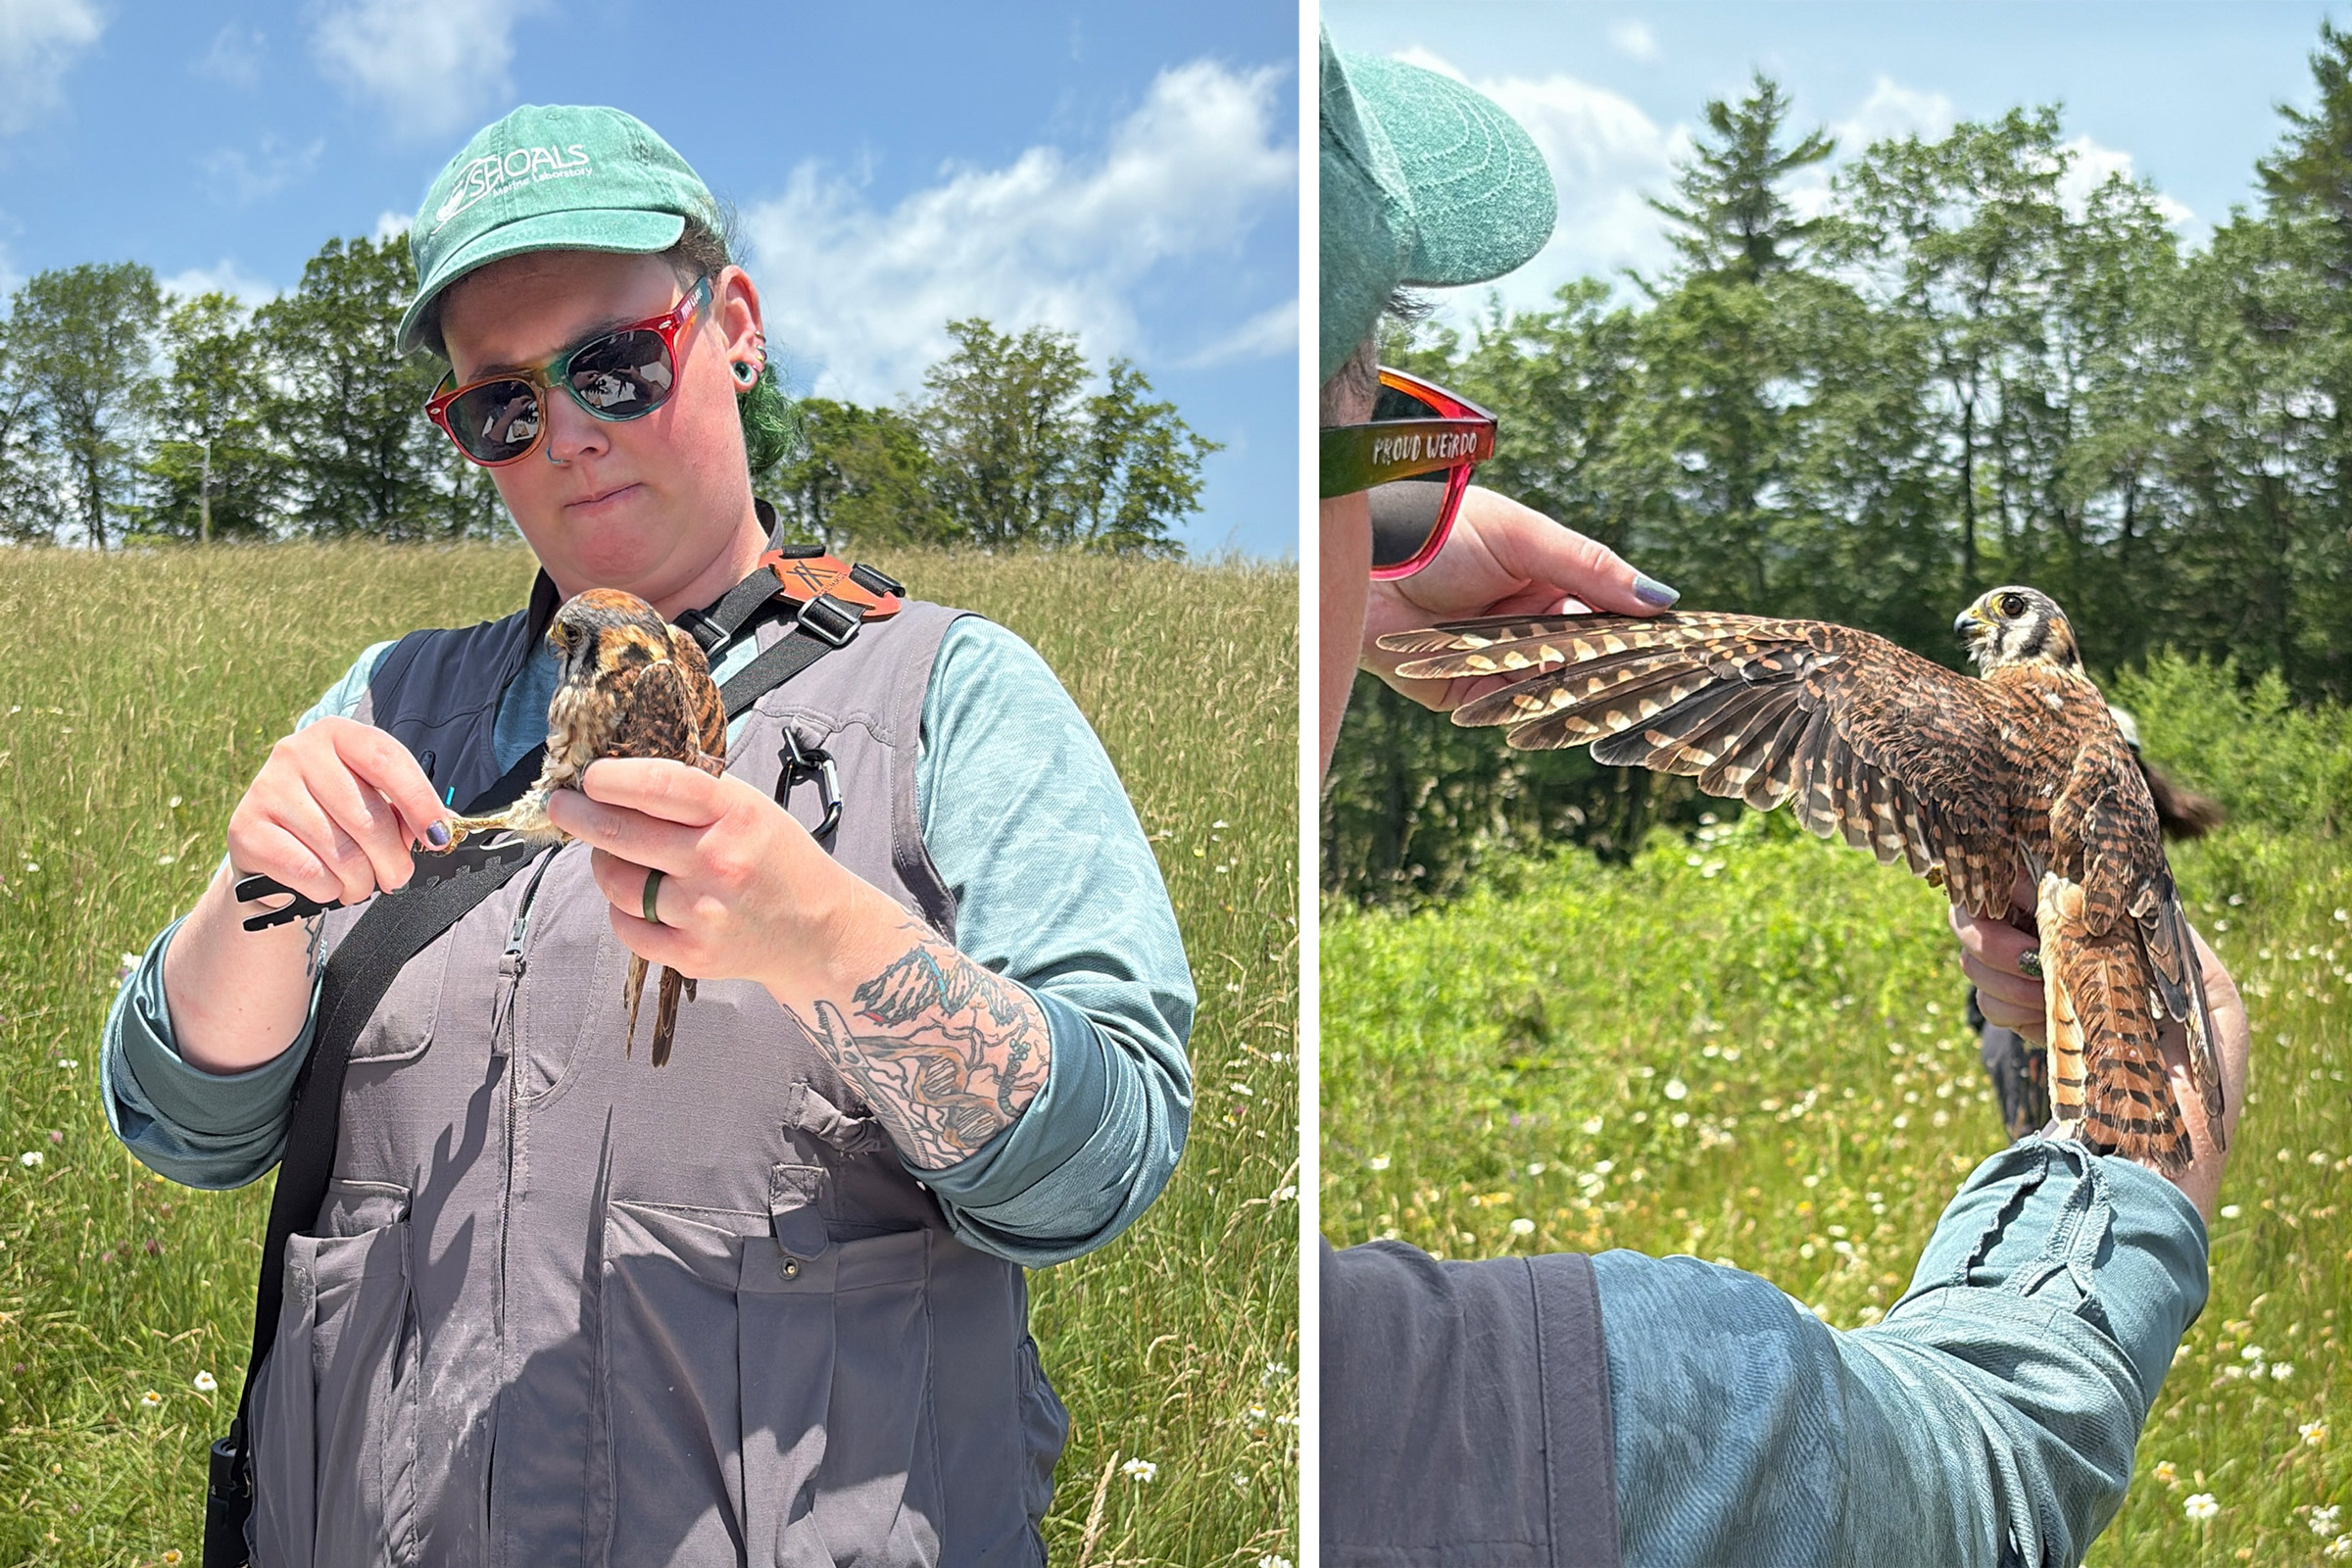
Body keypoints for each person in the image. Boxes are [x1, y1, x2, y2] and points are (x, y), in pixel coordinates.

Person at [100, 104, 1193, 1566]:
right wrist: (252, 900)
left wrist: (833, 946)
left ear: (733, 326)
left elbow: (1103, 1162)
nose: (570, 437)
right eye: (504, 404)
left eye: (614, 364)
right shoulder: (390, 704)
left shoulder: (948, 689)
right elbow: (187, 1128)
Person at [1316, 32, 2250, 1568]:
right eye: (1389, 450)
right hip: (2113, 939)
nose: (1986, 634)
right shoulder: (1669, 1404)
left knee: (1810, 660)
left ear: (2046, 640)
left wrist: (1367, 546)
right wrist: (2140, 1169)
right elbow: (1998, 1460)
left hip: (2084, 913)